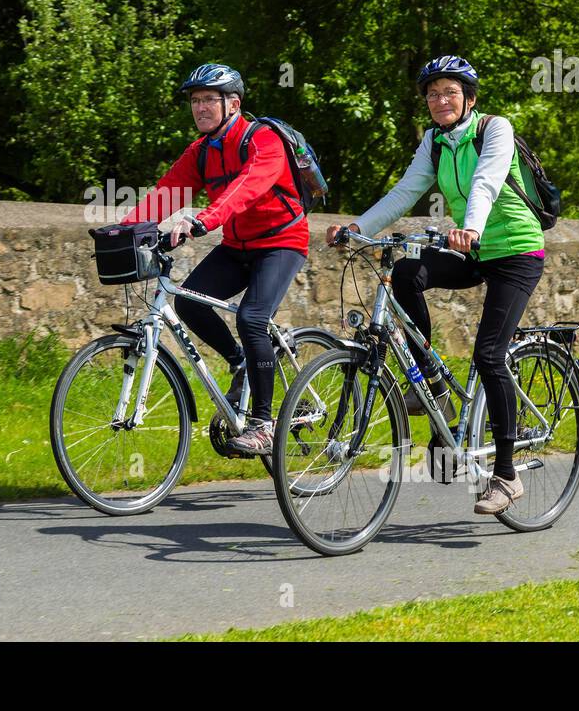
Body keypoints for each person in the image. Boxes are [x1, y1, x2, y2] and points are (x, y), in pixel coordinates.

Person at [325, 55, 546, 514]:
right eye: (432, 94)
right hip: (473, 249)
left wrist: (471, 227)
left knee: (488, 354)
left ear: (469, 97)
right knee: (407, 272)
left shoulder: (495, 129)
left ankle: (505, 475)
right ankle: (434, 383)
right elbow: (406, 191)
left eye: (449, 92)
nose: (440, 100)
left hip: (515, 252)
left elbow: (486, 181)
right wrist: (356, 225)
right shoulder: (435, 142)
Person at [121, 63, 309, 454]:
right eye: (195, 100)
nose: (200, 107)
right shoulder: (202, 152)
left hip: (281, 242)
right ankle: (241, 363)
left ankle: (264, 423)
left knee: (252, 318)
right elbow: (166, 194)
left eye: (209, 99)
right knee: (188, 301)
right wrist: (123, 231)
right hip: (238, 245)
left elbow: (247, 188)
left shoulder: (263, 140)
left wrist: (204, 219)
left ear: (233, 104)